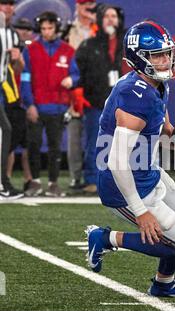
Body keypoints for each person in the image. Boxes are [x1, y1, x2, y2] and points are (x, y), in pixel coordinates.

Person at [85, 21, 175, 297]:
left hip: (148, 172)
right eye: (157, 54)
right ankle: (105, 238)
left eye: (167, 52)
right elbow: (117, 161)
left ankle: (163, 284)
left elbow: (165, 132)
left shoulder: (157, 83)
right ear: (138, 58)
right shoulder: (134, 96)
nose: (166, 59)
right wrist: (140, 210)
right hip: (122, 184)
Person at [21, 11, 77, 197]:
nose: (46, 32)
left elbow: (76, 74)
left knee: (55, 147)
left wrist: (72, 79)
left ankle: (53, 184)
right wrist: (29, 104)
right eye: (43, 28)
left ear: (56, 28)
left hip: (59, 107)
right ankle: (35, 182)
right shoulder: (30, 50)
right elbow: (25, 79)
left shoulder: (68, 51)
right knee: (34, 145)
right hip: (37, 106)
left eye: (50, 28)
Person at [75, 4, 126, 194]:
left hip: (125, 103)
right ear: (99, 20)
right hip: (96, 101)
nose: (111, 19)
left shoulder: (127, 44)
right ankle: (92, 179)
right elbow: (77, 72)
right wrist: (78, 92)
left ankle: (118, 182)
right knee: (95, 142)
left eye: (114, 16)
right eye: (107, 16)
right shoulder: (89, 45)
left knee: (123, 143)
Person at [62, 0, 97, 190]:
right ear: (77, 5)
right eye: (84, 2)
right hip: (72, 89)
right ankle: (76, 177)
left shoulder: (100, 29)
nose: (88, 5)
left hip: (95, 89)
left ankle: (94, 177)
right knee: (74, 136)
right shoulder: (67, 30)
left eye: (91, 2)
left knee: (95, 137)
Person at [0, 0, 24, 199]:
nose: (8, 8)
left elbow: (18, 68)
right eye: (3, 3)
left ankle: (3, 183)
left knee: (5, 131)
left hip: (3, 90)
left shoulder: (13, 34)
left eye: (10, 3)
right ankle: (2, 184)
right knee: (4, 130)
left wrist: (17, 58)